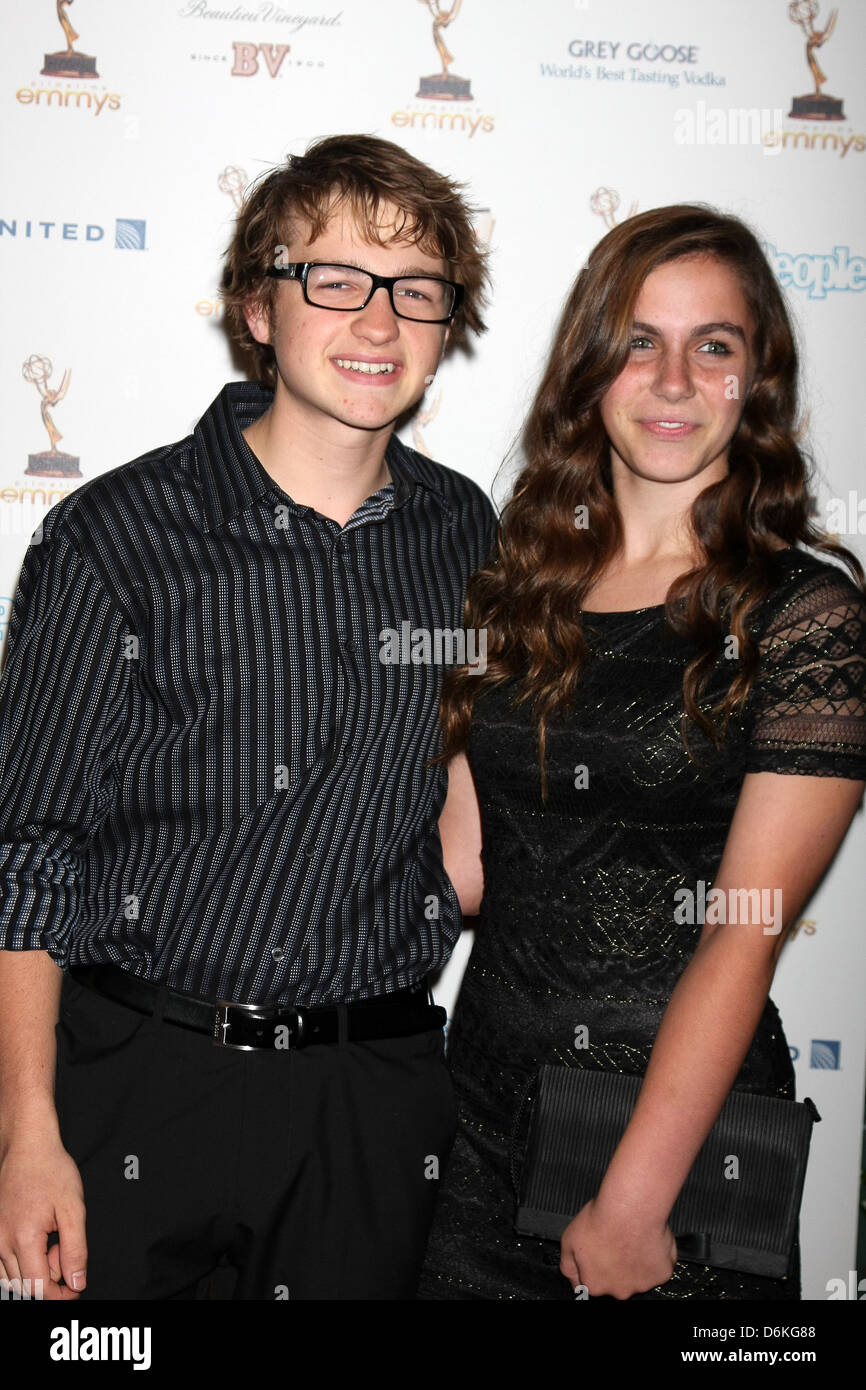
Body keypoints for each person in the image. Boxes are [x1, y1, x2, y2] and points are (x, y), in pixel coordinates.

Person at [0, 133, 496, 1301]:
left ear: (444, 325)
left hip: (368, 1096)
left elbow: (482, 792)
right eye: (331, 277)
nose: (377, 320)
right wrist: (26, 1134)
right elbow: (28, 854)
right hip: (132, 1079)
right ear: (257, 308)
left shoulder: (469, 540)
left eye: (415, 289)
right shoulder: (112, 538)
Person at [418, 204, 866, 1301]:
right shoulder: (518, 589)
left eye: (710, 345)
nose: (670, 379)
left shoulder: (804, 617)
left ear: (752, 380)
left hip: (671, 1165)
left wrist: (632, 1197)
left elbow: (742, 936)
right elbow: (466, 870)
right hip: (477, 1131)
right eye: (636, 341)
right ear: (589, 367)